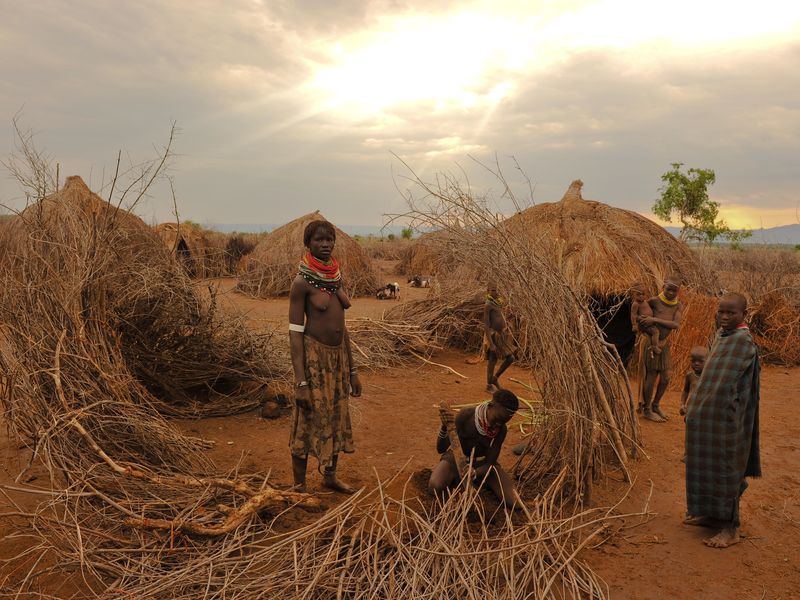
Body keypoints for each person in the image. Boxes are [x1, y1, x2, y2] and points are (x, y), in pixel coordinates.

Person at [288, 220, 362, 494]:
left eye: (329, 239)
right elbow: (295, 334)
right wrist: (301, 383)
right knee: (307, 418)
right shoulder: (301, 283)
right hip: (314, 360)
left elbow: (343, 328)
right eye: (319, 240)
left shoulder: (336, 277)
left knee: (335, 415)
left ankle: (330, 476)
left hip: (338, 358)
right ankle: (299, 486)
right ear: (308, 244)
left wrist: (353, 370)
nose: (326, 244)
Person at [685, 293, 760, 549]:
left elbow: (732, 387)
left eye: (731, 313)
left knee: (727, 469)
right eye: (721, 312)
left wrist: (716, 410)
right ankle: (712, 515)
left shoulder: (743, 342)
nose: (725, 317)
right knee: (707, 465)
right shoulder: (722, 336)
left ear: (744, 315)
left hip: (728, 419)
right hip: (708, 418)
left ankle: (731, 527)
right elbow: (709, 379)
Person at [428, 390, 522, 509]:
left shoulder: (501, 429)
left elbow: (490, 462)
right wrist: (444, 426)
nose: (498, 425)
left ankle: (475, 482)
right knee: (435, 486)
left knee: (515, 502)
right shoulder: (466, 416)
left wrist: (474, 473)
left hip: (481, 465)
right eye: (497, 419)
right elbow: (440, 449)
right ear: (490, 406)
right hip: (456, 459)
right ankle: (457, 481)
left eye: (504, 422)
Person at [639, 277, 683, 422]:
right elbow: (640, 315)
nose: (670, 293)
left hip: (664, 344)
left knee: (666, 377)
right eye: (668, 289)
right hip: (652, 343)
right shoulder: (653, 301)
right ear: (663, 287)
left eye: (674, 290)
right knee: (651, 375)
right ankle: (647, 410)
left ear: (678, 290)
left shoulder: (678, 306)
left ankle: (656, 405)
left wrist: (655, 320)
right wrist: (645, 329)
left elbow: (675, 325)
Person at [484, 283, 516, 392]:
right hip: (493, 335)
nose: (495, 292)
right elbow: (486, 325)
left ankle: (495, 378)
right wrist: (491, 343)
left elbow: (500, 315)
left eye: (496, 290)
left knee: (510, 358)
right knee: (493, 359)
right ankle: (489, 385)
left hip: (501, 335)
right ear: (488, 291)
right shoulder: (488, 305)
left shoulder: (498, 302)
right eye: (493, 290)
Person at [679, 346, 707, 463]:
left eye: (700, 361)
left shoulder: (710, 377)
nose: (696, 364)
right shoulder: (690, 376)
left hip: (705, 411)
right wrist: (682, 404)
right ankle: (688, 454)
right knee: (690, 434)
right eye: (693, 361)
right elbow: (685, 391)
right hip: (691, 410)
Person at [630, 283, 662, 354]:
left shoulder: (645, 302)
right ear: (633, 295)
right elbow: (633, 314)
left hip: (649, 322)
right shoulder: (635, 304)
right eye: (638, 294)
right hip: (644, 324)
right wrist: (634, 325)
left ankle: (656, 342)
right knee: (656, 332)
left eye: (643, 294)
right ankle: (654, 346)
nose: (641, 296)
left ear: (646, 294)